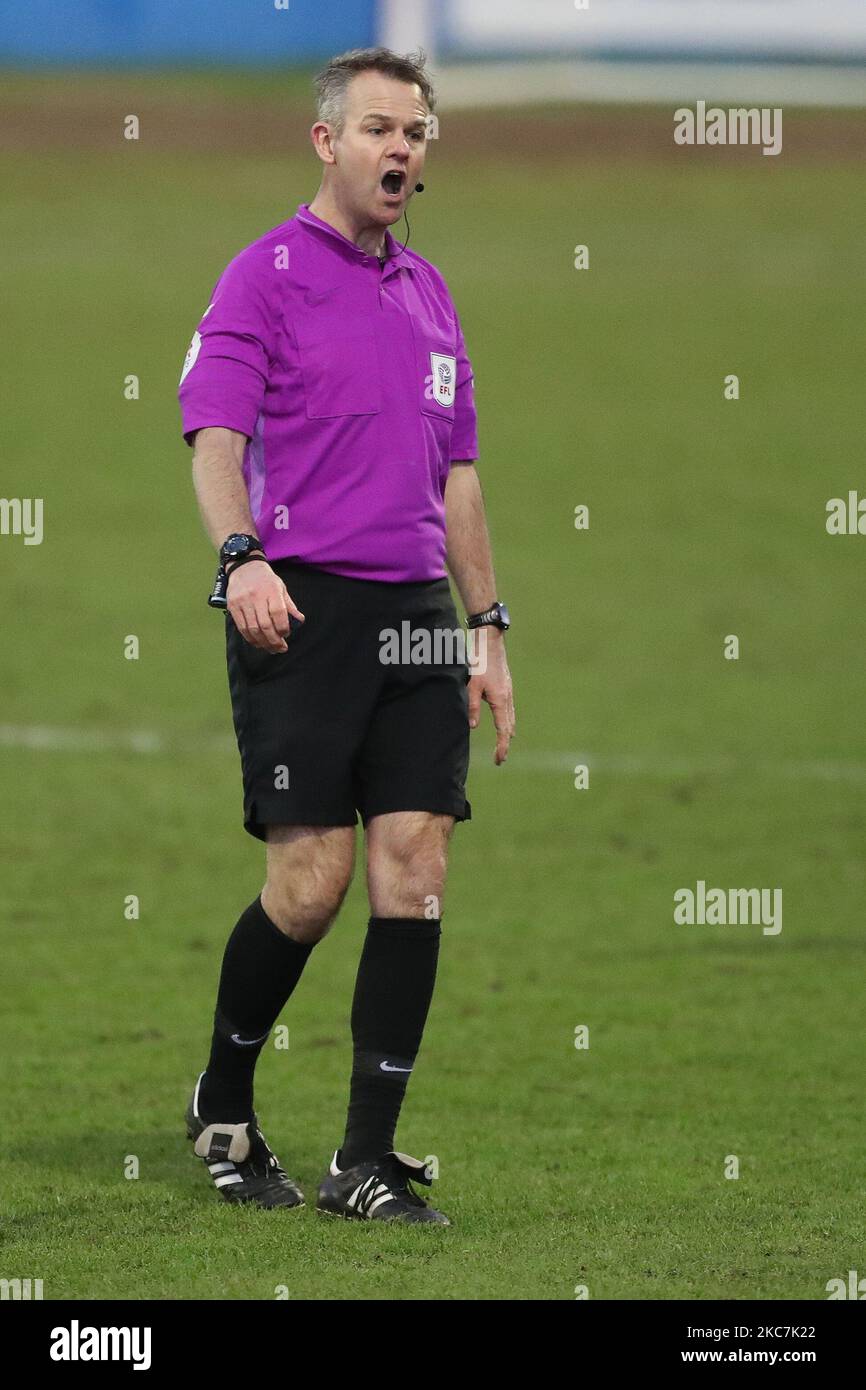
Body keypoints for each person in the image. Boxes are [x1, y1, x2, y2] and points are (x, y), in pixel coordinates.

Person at [177, 47, 515, 1225]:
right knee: (311, 883)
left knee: (415, 870)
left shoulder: (429, 294)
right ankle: (225, 1099)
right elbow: (215, 437)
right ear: (327, 142)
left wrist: (486, 625)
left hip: (419, 614)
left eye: (415, 132)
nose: (399, 151)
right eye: (377, 129)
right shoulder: (260, 278)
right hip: (302, 607)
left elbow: (458, 475)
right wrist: (240, 559)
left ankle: (363, 1159)